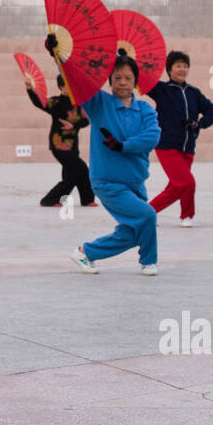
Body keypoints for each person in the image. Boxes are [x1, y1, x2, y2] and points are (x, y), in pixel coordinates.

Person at [63, 53, 161, 275]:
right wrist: (60, 58)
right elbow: (76, 82)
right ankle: (149, 261)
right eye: (117, 78)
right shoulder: (100, 103)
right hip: (107, 181)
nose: (123, 83)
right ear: (110, 80)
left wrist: (123, 146)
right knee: (147, 216)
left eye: (127, 77)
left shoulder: (145, 109)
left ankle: (85, 252)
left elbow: (152, 136)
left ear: (135, 80)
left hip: (136, 181)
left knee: (133, 231)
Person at [146, 51, 213, 227]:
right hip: (167, 146)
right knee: (187, 182)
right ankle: (187, 215)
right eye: (178, 65)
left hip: (188, 147)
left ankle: (147, 212)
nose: (182, 69)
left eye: (185, 66)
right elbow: (142, 79)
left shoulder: (194, 92)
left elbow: (212, 110)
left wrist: (200, 124)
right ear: (169, 69)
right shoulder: (162, 90)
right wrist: (125, 58)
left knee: (176, 187)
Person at [27, 73, 94, 207]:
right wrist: (30, 89)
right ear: (61, 87)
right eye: (66, 86)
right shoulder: (56, 103)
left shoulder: (78, 104)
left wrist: (73, 125)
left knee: (71, 174)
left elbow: (86, 120)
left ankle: (86, 200)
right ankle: (49, 199)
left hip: (73, 145)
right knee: (80, 169)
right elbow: (39, 102)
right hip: (59, 145)